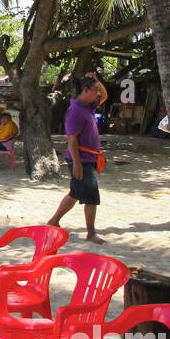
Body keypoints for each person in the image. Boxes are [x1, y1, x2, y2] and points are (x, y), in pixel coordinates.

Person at [49, 73, 108, 243]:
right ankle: (91, 233)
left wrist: (96, 80)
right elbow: (72, 141)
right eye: (94, 90)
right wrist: (76, 163)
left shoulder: (87, 106)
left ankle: (53, 221)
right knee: (91, 196)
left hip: (87, 158)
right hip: (80, 159)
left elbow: (105, 95)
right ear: (85, 90)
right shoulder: (75, 111)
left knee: (75, 193)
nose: (97, 94)